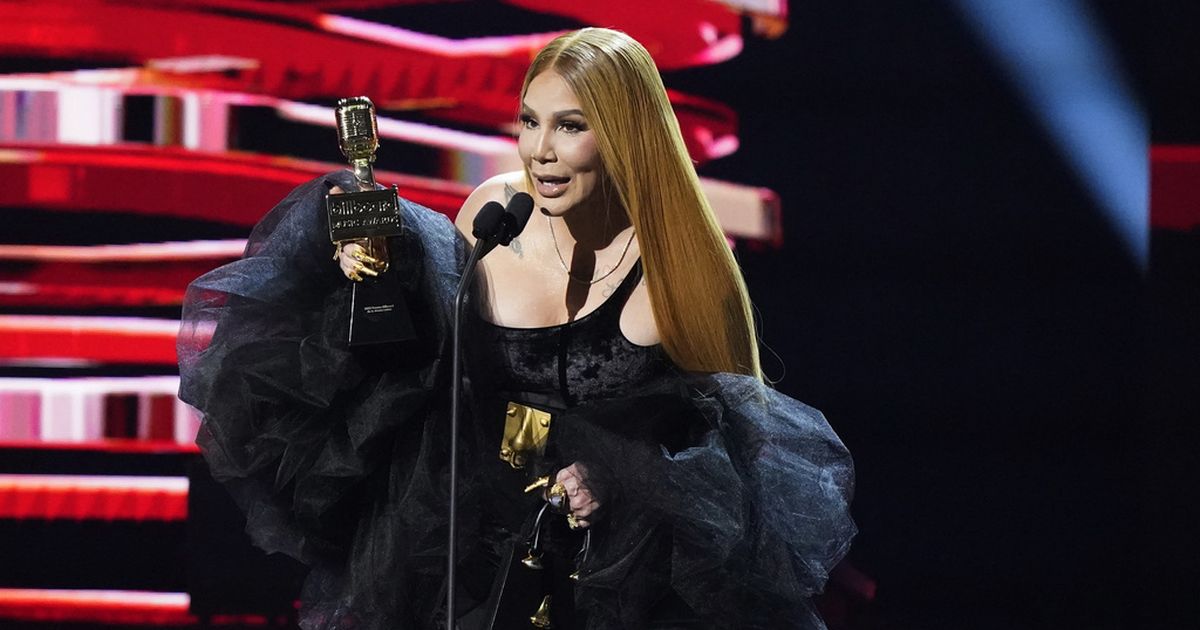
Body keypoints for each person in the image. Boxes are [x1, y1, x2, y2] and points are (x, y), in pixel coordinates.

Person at [179, 27, 854, 630]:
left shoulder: (681, 266)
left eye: (569, 126)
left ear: (625, 134)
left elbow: (730, 451)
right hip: (461, 548)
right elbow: (429, 370)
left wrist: (614, 480)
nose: (541, 151)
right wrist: (373, 277)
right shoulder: (498, 212)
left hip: (614, 578)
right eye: (530, 122)